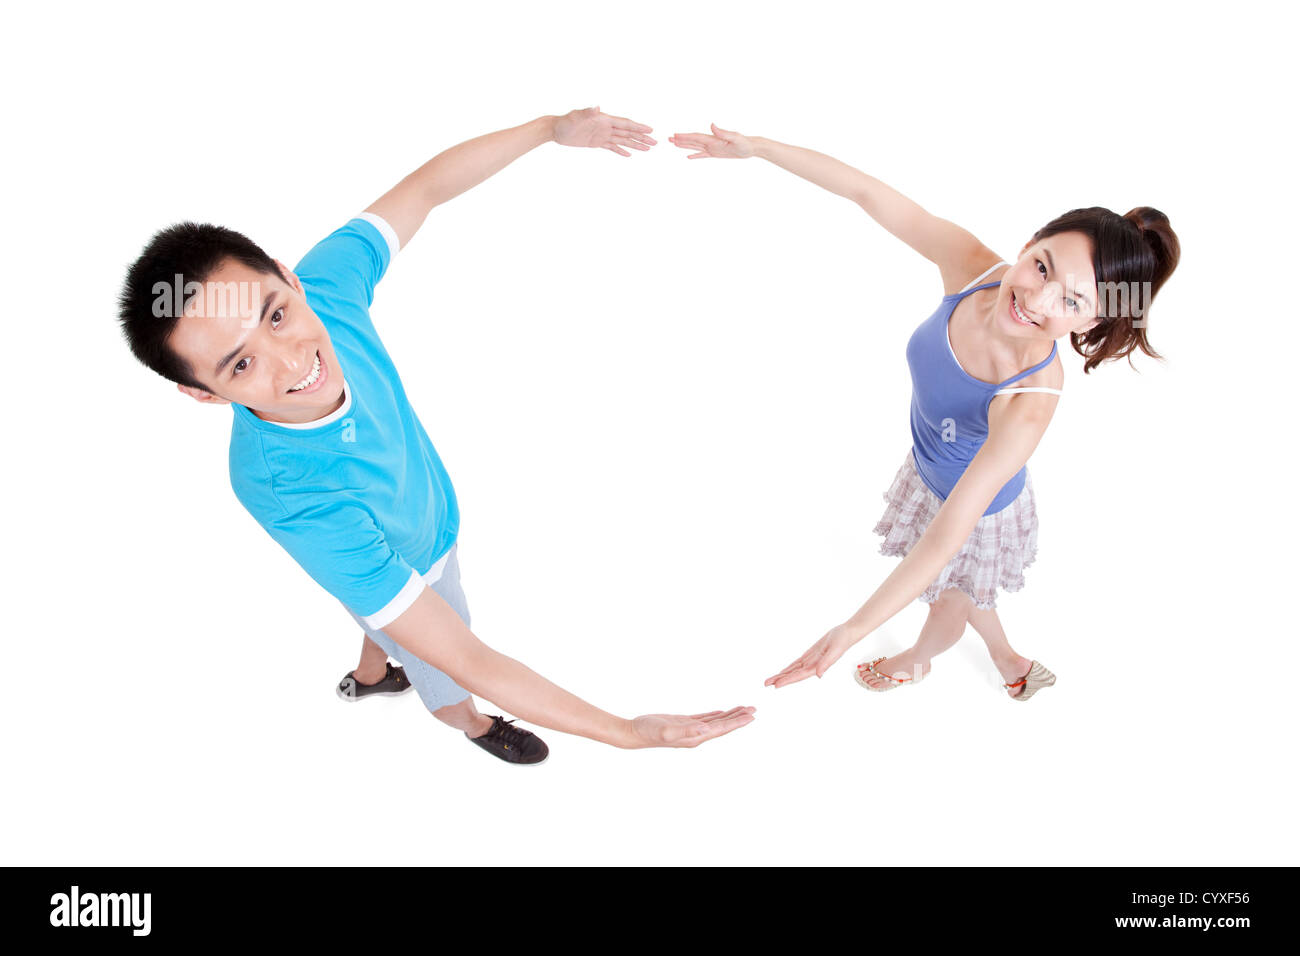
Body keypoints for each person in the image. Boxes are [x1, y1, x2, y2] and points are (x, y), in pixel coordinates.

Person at [118, 108, 755, 762]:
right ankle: (471, 726)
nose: (290, 361)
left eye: (276, 315)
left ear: (290, 275)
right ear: (201, 392)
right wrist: (626, 731)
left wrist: (548, 130)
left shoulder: (328, 289)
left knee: (377, 613)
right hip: (419, 562)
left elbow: (425, 189)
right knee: (443, 677)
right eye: (241, 364)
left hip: (405, 540)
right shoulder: (293, 496)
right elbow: (468, 655)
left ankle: (371, 678)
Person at [668, 123, 1179, 700]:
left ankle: (918, 658)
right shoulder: (975, 272)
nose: (1036, 299)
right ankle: (1011, 658)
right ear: (1029, 243)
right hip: (930, 472)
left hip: (978, 512)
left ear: (1090, 322)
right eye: (1042, 266)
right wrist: (760, 149)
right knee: (963, 591)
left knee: (948, 602)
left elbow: (945, 539)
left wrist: (850, 630)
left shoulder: (1030, 399)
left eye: (1072, 301)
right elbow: (869, 193)